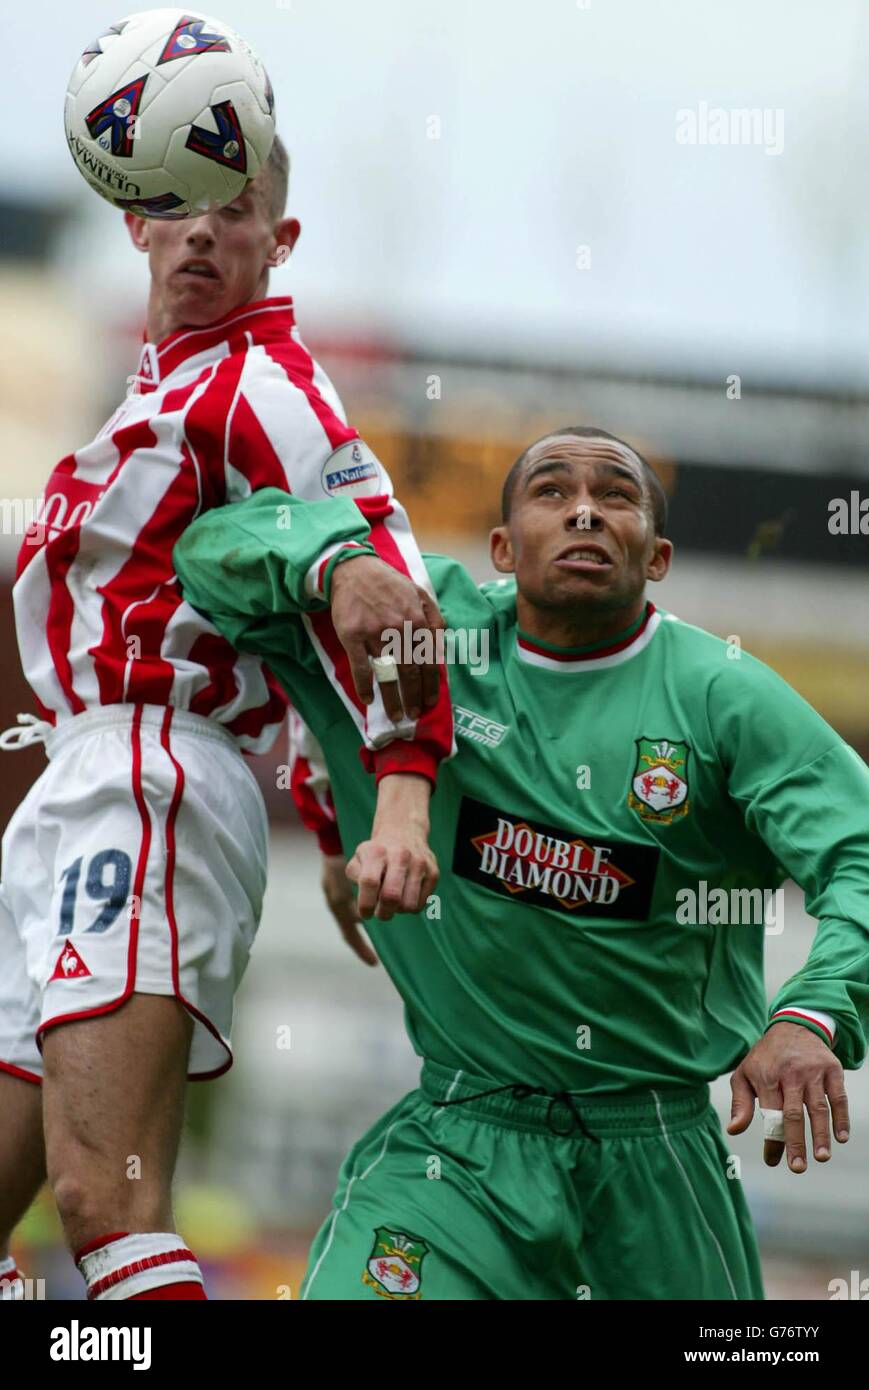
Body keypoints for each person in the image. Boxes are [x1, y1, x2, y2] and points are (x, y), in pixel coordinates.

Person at [173, 425, 869, 1300]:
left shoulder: (724, 697)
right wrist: (338, 567)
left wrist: (813, 1014)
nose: (583, 509)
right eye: (550, 490)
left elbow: (861, 854)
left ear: (656, 558)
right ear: (502, 547)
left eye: (615, 495)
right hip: (456, 1146)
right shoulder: (413, 629)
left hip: (656, 1162)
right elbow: (204, 547)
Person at [0, 133, 452, 1302]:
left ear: (278, 240)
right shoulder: (164, 380)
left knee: (107, 1199)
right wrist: (322, 792)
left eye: (237, 208)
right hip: (75, 783)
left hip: (150, 775)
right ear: (135, 222)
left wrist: (393, 798)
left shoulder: (269, 386)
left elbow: (394, 598)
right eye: (180, 203)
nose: (204, 226)